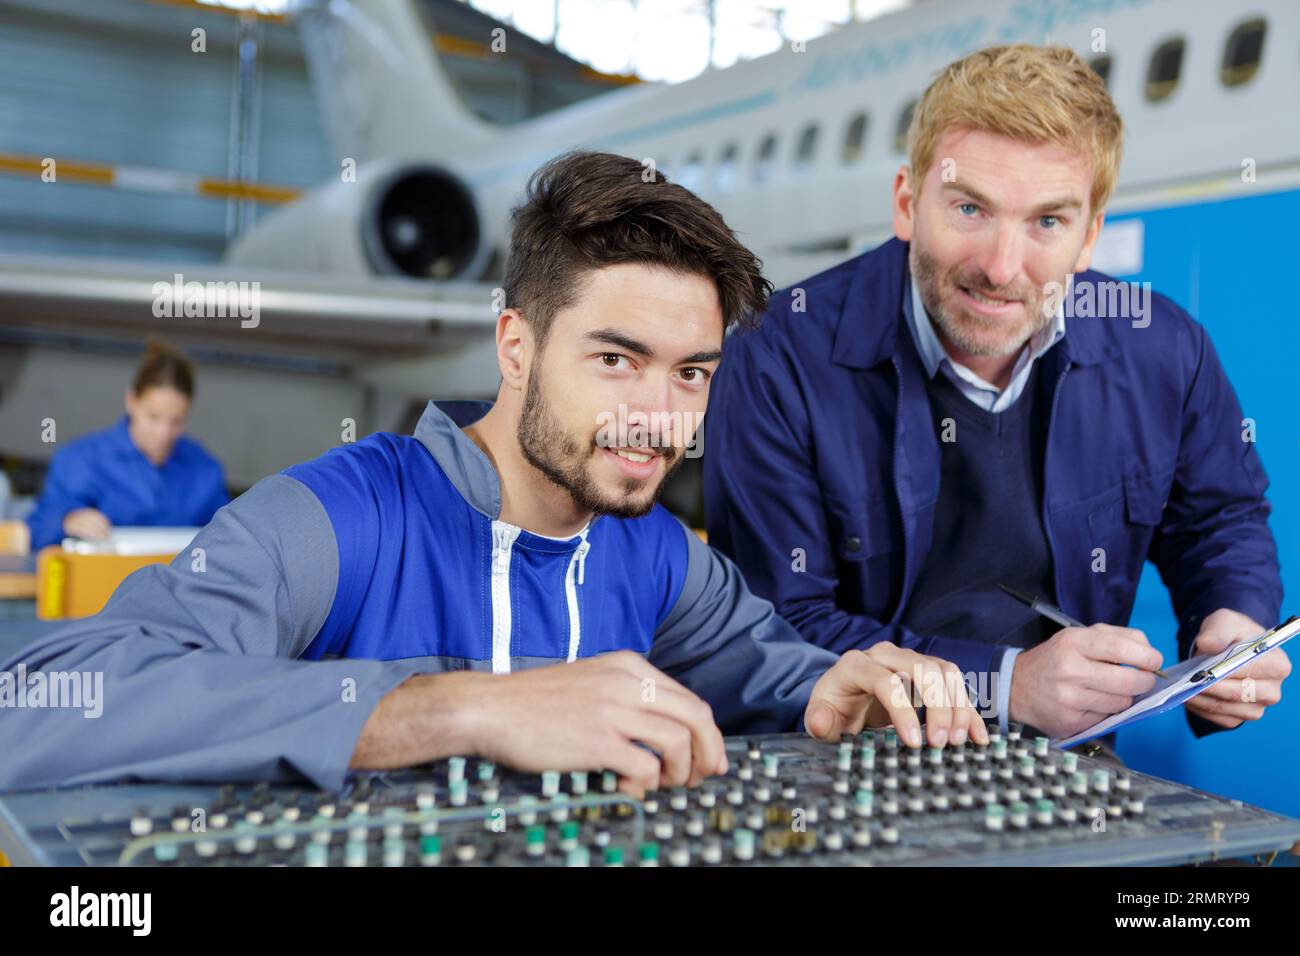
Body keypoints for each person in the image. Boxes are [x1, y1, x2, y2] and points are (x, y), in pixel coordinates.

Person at [0, 151, 986, 795]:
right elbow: (34, 705)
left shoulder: (654, 555)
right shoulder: (339, 519)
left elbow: (778, 673)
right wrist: (456, 703)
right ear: (515, 347)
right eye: (615, 359)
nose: (658, 414)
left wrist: (841, 687)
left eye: (690, 373)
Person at [703, 45, 1289, 743]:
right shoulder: (778, 359)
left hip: (1065, 771)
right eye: (970, 208)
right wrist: (1006, 684)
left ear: (1089, 235)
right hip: (843, 765)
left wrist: (1231, 620)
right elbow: (773, 626)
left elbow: (1220, 519)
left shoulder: (1165, 352)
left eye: (1047, 221)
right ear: (906, 203)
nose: (1002, 267)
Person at [24, 340, 229, 551]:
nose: (163, 433)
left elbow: (229, 538)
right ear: (131, 401)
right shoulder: (81, 461)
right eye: (153, 417)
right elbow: (35, 529)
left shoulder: (204, 469)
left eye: (176, 421)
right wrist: (67, 520)